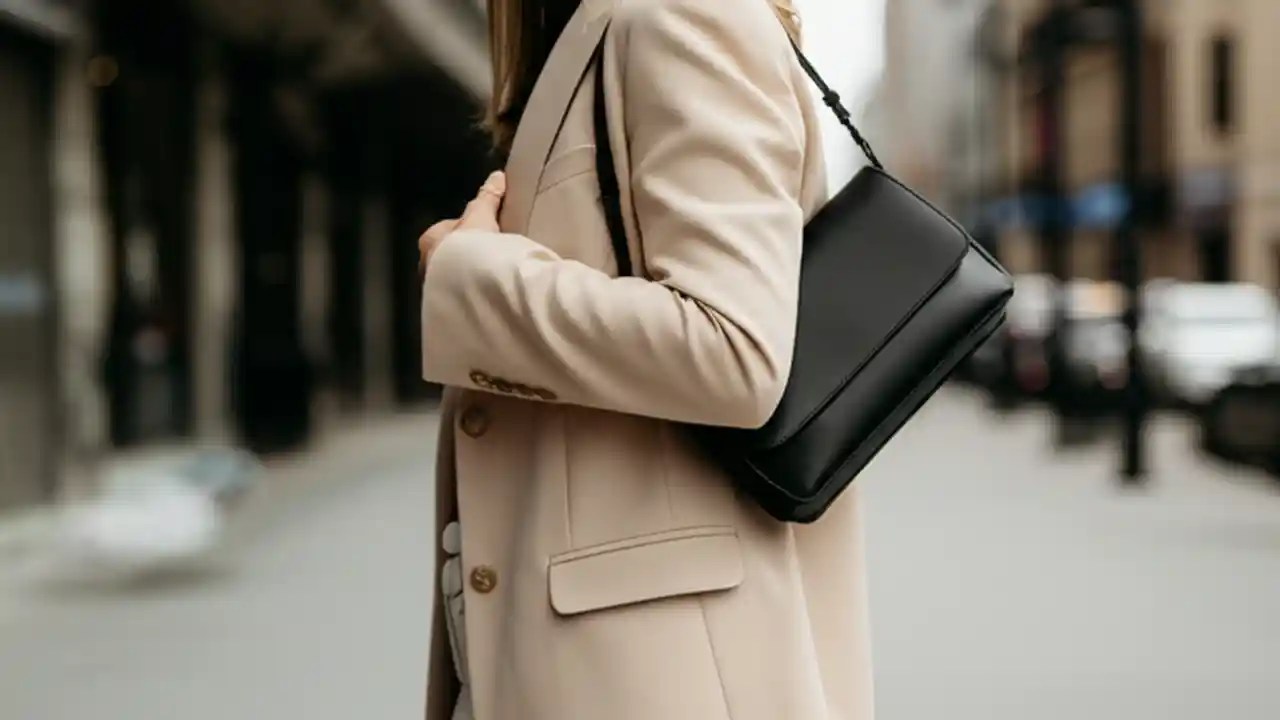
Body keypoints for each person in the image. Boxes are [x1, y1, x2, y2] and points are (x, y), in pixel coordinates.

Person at [416, 1, 873, 718]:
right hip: (593, 658)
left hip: (658, 668)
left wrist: (472, 278)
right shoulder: (602, 30)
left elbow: (735, 351)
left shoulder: (680, 15)